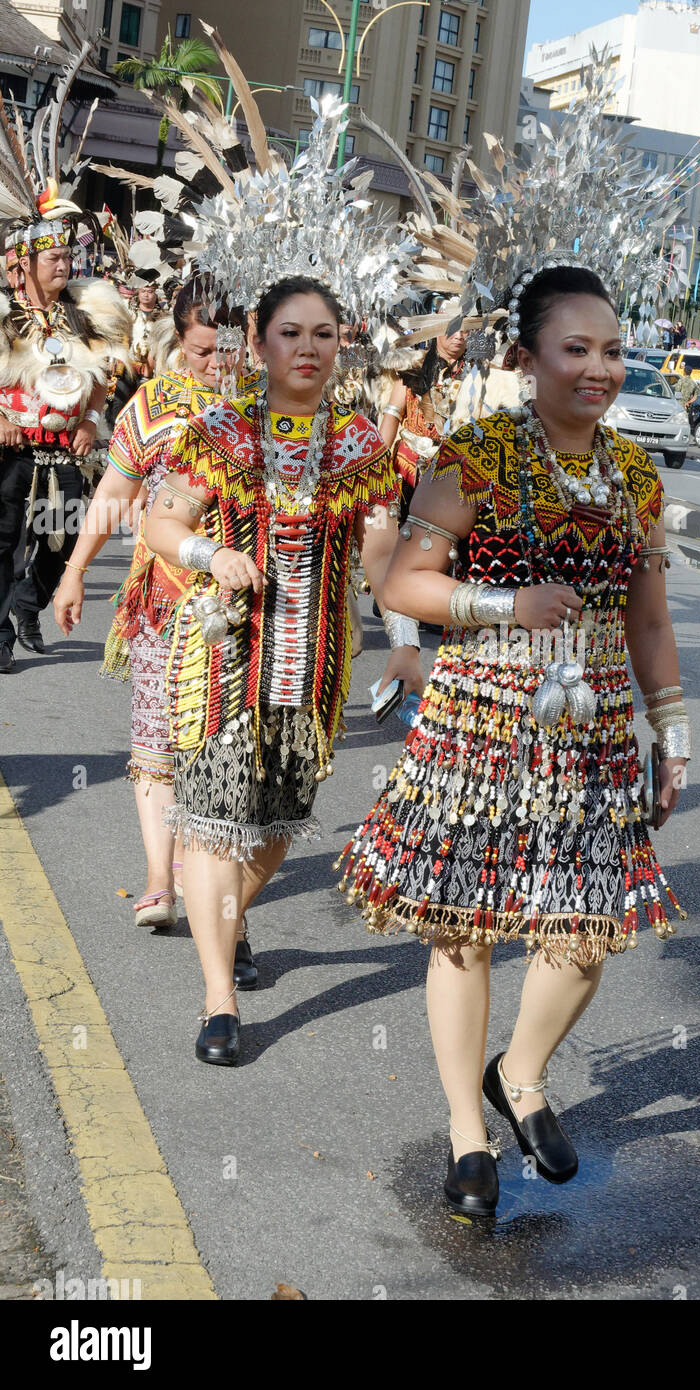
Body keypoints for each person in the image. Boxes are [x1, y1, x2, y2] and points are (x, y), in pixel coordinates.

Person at [337, 265, 690, 1217]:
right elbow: (403, 584)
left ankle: (521, 1074)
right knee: (467, 928)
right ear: (527, 358)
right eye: (575, 350)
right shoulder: (479, 452)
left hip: (597, 727)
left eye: (612, 351)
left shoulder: (636, 474)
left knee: (585, 930)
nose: (598, 369)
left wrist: (674, 727)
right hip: (481, 720)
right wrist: (506, 605)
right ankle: (467, 1130)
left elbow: (650, 621)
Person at [144, 277, 422, 1067]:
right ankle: (218, 998)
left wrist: (403, 638)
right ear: (260, 342)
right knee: (210, 822)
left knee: (273, 828)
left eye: (324, 335)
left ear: (342, 346)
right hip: (225, 656)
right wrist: (210, 553)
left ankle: (221, 925)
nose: (307, 349)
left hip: (313, 666)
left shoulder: (362, 446)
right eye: (292, 333)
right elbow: (160, 522)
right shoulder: (220, 429)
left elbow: (383, 561)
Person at [52, 277, 243, 934]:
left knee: (225, 750)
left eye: (230, 350)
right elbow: (112, 493)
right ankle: (162, 879)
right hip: (163, 598)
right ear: (180, 343)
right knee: (157, 742)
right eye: (203, 352)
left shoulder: (277, 406)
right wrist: (74, 571)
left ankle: (211, 876)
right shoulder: (155, 404)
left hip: (250, 609)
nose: (219, 365)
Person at [0, 217, 131, 674]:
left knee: (63, 540)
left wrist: (92, 421)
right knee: (4, 541)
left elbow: (102, 373)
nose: (64, 265)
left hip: (65, 451)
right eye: (53, 257)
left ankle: (28, 604)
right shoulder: (2, 311)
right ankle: (1, 636)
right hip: (12, 450)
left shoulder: (83, 312)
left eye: (67, 256)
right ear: (24, 264)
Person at [377, 321, 470, 507]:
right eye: (453, 329)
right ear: (437, 330)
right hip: (409, 467)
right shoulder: (412, 365)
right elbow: (393, 413)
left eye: (465, 330)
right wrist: (376, 463)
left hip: (457, 471)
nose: (459, 336)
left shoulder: (480, 374)